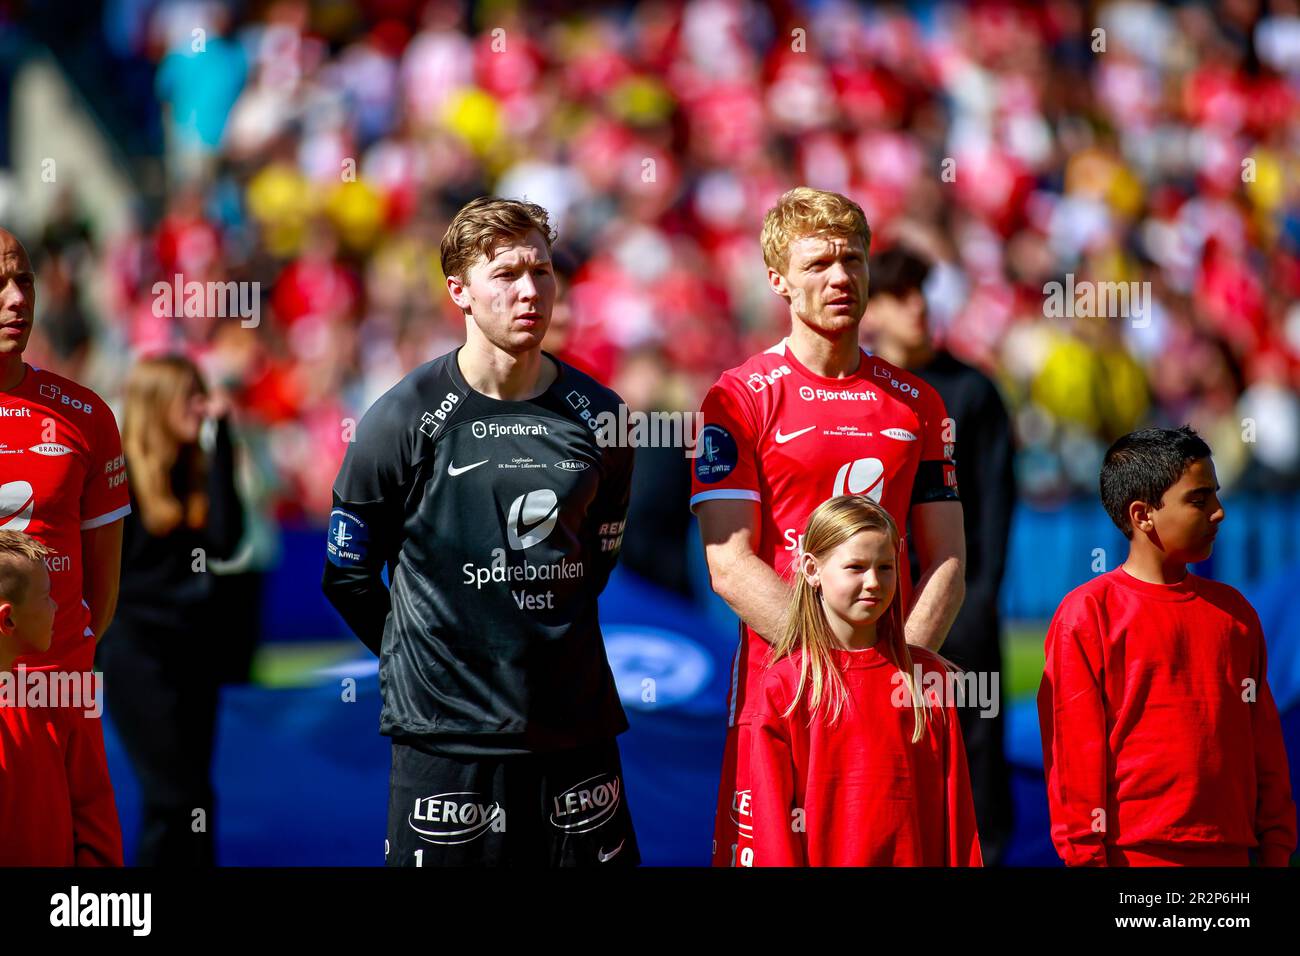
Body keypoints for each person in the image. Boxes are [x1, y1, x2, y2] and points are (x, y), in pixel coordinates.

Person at [322, 196, 638, 867]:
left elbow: (596, 561)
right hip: (446, 743)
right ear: (459, 292)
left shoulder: (603, 416)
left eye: (543, 272)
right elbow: (346, 573)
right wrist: (417, 657)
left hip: (573, 733)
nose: (530, 291)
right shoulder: (400, 418)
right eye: (507, 275)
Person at [690, 187, 966, 867]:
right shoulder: (737, 399)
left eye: (852, 260)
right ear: (779, 280)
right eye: (817, 265)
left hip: (890, 692)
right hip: (783, 686)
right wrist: (832, 665)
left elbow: (948, 561)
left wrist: (889, 671)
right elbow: (729, 563)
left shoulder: (919, 404)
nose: (840, 277)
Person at [1038, 426, 1296, 866]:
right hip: (1131, 856)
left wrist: (1275, 846)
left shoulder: (1236, 614)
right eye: (1199, 499)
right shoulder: (1087, 614)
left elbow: (1265, 745)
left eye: (1216, 495)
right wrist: (1087, 856)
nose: (1219, 512)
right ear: (1142, 515)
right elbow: (1074, 759)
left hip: (1231, 853)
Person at [862, 246, 1016, 864]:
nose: (919, 307)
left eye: (923, 291)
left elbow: (995, 509)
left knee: (974, 741)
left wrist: (976, 601)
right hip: (876, 604)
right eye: (902, 294)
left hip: (959, 602)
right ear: (874, 307)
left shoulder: (973, 391)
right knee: (885, 741)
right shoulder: (859, 391)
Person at [748, 495, 981, 867]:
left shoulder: (927, 679)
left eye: (886, 567)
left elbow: (958, 816)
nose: (873, 582)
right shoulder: (785, 687)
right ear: (811, 568)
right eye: (856, 567)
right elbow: (771, 825)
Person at [0, 225, 128, 859]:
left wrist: (61, 666)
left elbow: (101, 593)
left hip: (61, 691)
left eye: (22, 279)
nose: (16, 298)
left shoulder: (85, 415)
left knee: (85, 871)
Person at [96, 355, 244, 865]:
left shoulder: (193, 469)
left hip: (193, 655)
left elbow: (225, 543)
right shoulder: (118, 476)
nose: (202, 406)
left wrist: (222, 439)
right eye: (190, 396)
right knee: (172, 799)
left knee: (198, 797)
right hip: (138, 657)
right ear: (158, 404)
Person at [0, 530, 122, 865]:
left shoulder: (55, 701)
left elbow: (91, 808)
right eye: (46, 596)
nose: (59, 606)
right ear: (7, 618)